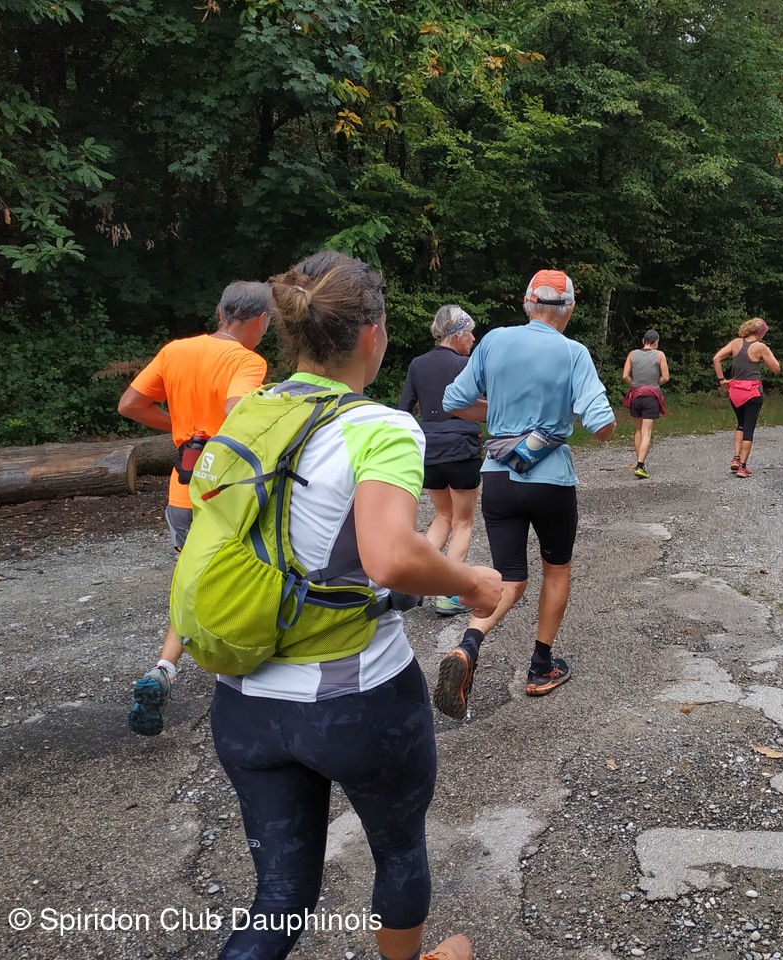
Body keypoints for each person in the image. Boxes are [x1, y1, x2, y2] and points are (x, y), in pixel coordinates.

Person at [206, 251, 502, 960]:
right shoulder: (380, 426)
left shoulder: (249, 411)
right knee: (399, 854)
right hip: (356, 699)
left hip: (242, 696)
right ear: (373, 333)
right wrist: (472, 584)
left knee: (280, 893)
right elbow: (392, 555)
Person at [433, 268, 615, 720]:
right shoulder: (574, 352)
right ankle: (540, 667)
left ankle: (468, 648)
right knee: (556, 569)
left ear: (526, 303)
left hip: (497, 477)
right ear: (569, 309)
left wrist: (503, 413)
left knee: (510, 578)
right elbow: (604, 425)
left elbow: (454, 402)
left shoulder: (493, 340)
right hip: (550, 482)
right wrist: (559, 420)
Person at [118, 281, 271, 736]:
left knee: (191, 580)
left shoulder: (175, 351)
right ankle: (245, 672)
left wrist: (180, 428)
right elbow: (239, 412)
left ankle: (164, 669)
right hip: (227, 490)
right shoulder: (248, 360)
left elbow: (130, 404)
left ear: (221, 311)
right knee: (247, 576)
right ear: (261, 320)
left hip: (182, 492)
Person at [398, 305, 485, 617]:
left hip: (428, 449)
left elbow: (403, 408)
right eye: (470, 332)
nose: (473, 338)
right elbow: (486, 403)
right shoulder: (467, 364)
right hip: (462, 446)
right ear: (457, 334)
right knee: (462, 521)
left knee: (442, 516)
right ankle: (449, 595)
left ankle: (413, 581)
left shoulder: (418, 364)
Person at [711, 317, 780, 478]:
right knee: (749, 427)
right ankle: (743, 466)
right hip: (752, 391)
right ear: (759, 332)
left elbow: (716, 358)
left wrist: (722, 380)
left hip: (735, 391)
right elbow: (776, 368)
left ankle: (736, 458)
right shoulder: (760, 347)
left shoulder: (736, 343)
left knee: (740, 424)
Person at [621, 328, 670, 479]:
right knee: (647, 431)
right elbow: (666, 377)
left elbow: (625, 376)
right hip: (651, 396)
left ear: (643, 341)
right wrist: (655, 383)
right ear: (656, 342)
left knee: (638, 430)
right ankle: (640, 465)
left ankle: (639, 461)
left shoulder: (632, 354)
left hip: (636, 396)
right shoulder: (660, 355)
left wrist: (634, 385)